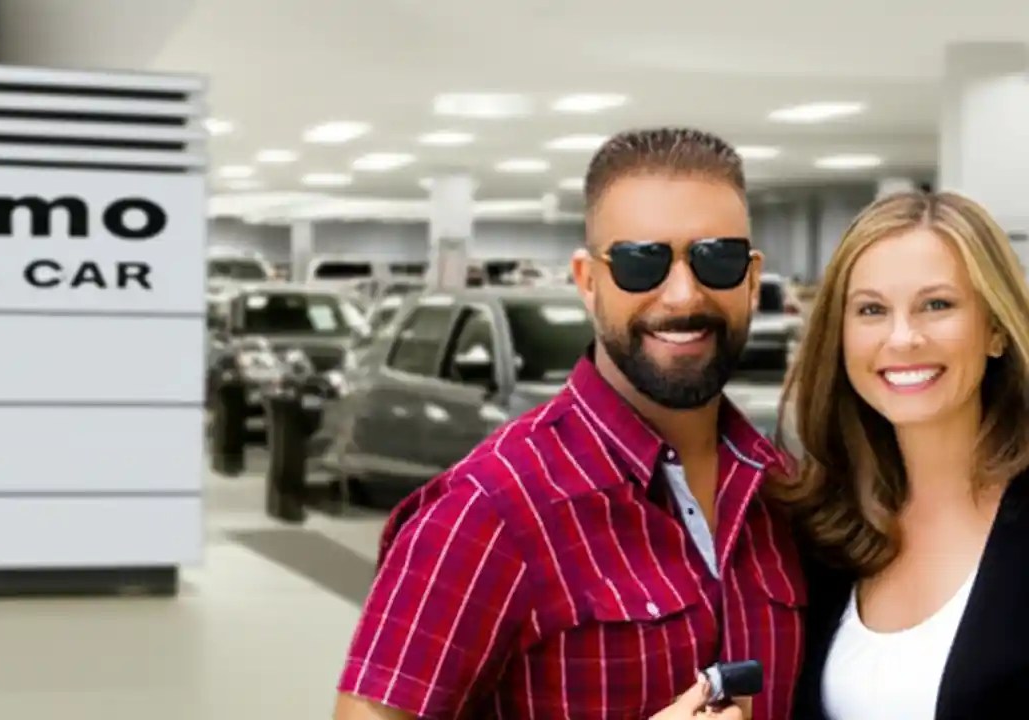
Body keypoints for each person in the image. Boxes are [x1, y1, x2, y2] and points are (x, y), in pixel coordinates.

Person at [332, 127, 805, 720]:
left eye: (718, 260)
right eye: (641, 263)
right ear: (588, 281)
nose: (684, 294)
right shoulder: (490, 509)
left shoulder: (780, 493)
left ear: (753, 279)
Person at [780, 191, 1029, 719]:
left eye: (936, 304)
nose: (902, 337)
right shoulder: (822, 529)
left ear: (996, 330)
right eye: (871, 310)